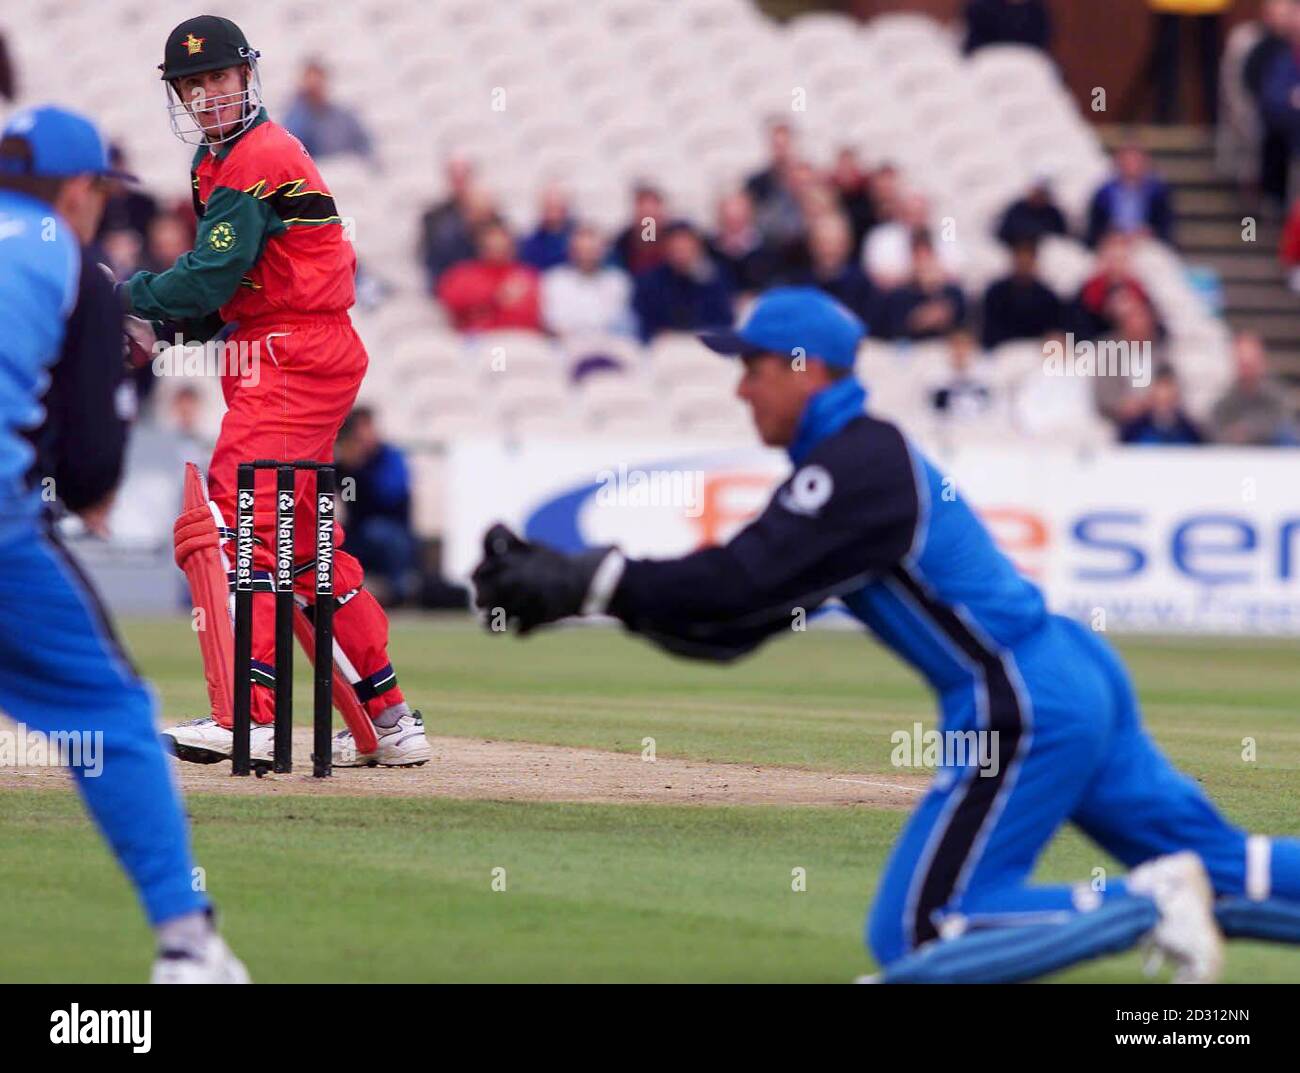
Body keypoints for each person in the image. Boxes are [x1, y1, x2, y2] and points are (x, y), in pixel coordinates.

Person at [472, 286, 1300, 983]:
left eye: (753, 368)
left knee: (921, 929)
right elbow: (732, 628)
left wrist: (597, 578)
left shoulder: (854, 464)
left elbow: (734, 584)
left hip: (1021, 695)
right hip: (1070, 670)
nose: (740, 390)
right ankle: (1165, 894)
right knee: (1225, 871)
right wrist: (597, 591)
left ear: (805, 369)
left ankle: (1144, 902)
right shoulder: (855, 458)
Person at [119, 16, 429, 769]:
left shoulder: (256, 156)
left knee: (236, 519)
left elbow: (209, 279)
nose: (206, 94)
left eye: (217, 78)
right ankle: (389, 718)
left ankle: (250, 717)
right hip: (286, 345)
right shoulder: (219, 160)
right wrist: (162, 327)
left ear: (246, 77)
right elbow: (228, 291)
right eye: (191, 84)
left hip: (294, 351)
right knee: (302, 547)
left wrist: (122, 296)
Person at [0, 104, 246, 982]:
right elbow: (92, 470)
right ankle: (188, 944)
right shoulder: (73, 266)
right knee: (111, 719)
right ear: (78, 191)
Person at [335, 408, 419, 606]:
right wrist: (347, 469)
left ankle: (400, 590)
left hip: (392, 530)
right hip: (357, 530)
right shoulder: (345, 467)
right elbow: (343, 497)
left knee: (379, 532)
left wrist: (358, 471)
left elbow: (388, 496)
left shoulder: (389, 457)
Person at [631, 220, 733, 341]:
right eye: (676, 248)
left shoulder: (714, 279)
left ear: (697, 248)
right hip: (664, 344)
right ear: (666, 249)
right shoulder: (650, 282)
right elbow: (644, 323)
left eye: (685, 248)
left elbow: (723, 321)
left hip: (703, 342)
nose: (681, 254)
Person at [437, 217, 542, 332]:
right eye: (492, 244)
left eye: (501, 245)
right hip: (476, 337)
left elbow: (531, 315)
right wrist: (494, 298)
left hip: (516, 336)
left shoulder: (525, 275)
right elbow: (452, 302)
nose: (497, 246)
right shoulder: (463, 274)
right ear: (481, 246)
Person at [541, 223, 633, 337]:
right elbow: (553, 322)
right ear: (572, 251)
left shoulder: (618, 282)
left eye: (592, 250)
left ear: (603, 251)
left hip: (607, 343)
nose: (586, 256)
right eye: (582, 250)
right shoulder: (555, 280)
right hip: (564, 343)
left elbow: (620, 322)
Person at [1208, 331, 1295, 445]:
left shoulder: (1277, 396)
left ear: (1260, 362)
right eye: (1243, 363)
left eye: (1250, 363)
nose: (1247, 370)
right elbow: (1216, 430)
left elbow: (1283, 422)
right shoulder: (1224, 401)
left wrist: (1249, 430)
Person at [281, 58, 373, 163]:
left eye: (319, 84)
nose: (316, 89)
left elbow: (364, 144)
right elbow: (293, 148)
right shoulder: (296, 118)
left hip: (344, 166)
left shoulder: (344, 117)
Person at [980, 238, 1063, 349]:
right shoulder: (996, 293)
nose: (1024, 265)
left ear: (1034, 262)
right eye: (1020, 260)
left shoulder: (1047, 297)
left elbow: (1053, 330)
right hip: (1004, 349)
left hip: (1037, 350)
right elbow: (990, 331)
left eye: (1027, 261)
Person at [1085, 145, 1175, 248]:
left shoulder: (1158, 193)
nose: (1131, 166)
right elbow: (1094, 229)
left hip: (1147, 242)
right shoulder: (1103, 194)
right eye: (1127, 162)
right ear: (1118, 163)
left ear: (1145, 164)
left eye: (1135, 162)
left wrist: (1149, 233)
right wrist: (1110, 234)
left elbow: (1165, 227)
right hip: (1113, 242)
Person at [1119, 367, 1203, 445]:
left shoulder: (1191, 431)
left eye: (1168, 389)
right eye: (1160, 389)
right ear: (1152, 393)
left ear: (1177, 395)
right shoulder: (1134, 430)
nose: (1164, 395)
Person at [995, 177, 1068, 247]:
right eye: (1037, 193)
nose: (1038, 197)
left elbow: (1062, 236)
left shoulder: (1053, 213)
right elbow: (1003, 233)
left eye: (1042, 194)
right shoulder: (1017, 210)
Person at [518, 184, 575, 272]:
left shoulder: (576, 239)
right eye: (549, 206)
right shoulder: (530, 243)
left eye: (557, 206)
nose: (553, 212)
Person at [962, 0, 1052, 55]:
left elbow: (1039, 44)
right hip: (987, 60)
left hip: (1025, 63)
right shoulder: (980, 7)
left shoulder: (1035, 11)